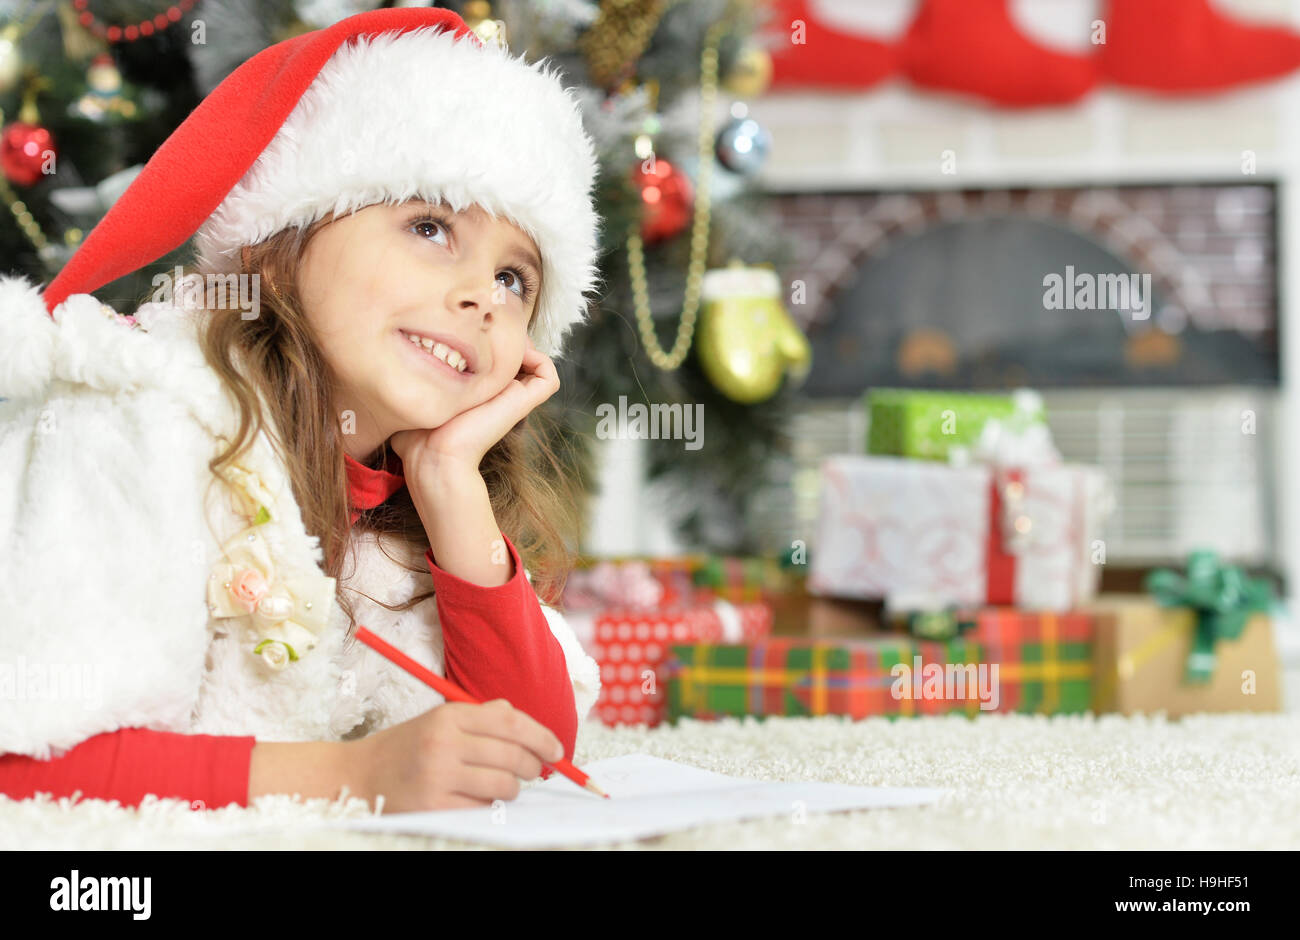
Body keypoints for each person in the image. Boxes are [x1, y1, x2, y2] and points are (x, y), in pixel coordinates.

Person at [0, 7, 603, 815]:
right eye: (430, 226)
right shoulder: (133, 423)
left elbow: (529, 755)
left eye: (514, 280)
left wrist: (450, 482)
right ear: (278, 254)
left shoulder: (398, 508)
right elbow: (27, 764)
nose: (480, 298)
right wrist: (353, 777)